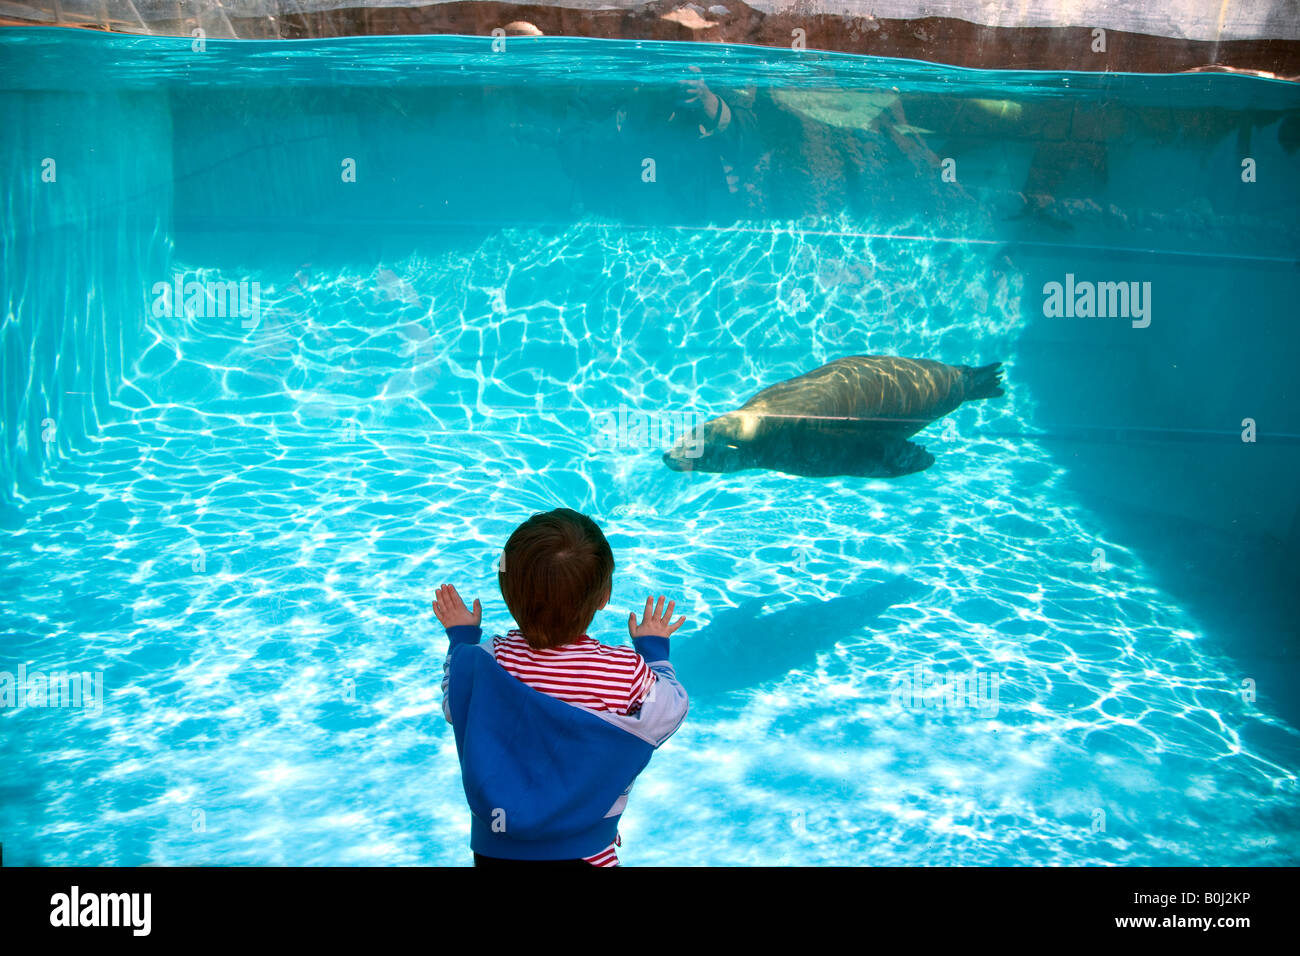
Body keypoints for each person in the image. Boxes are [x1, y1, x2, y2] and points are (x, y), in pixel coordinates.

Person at [434, 508, 689, 866]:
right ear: (604, 596)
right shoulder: (624, 672)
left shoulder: (486, 660)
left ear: (507, 593)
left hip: (495, 851)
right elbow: (671, 710)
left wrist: (461, 637)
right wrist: (653, 650)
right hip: (585, 853)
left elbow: (454, 705)